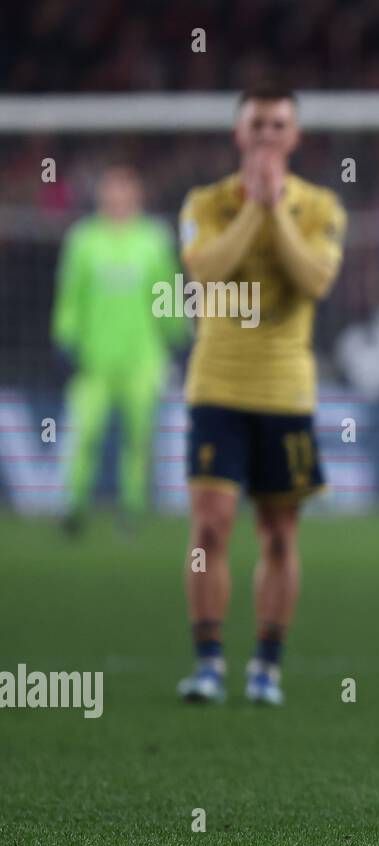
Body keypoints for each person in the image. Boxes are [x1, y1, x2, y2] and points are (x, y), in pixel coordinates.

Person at [176, 85, 346, 706]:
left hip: (286, 394)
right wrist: (255, 205)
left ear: (294, 136)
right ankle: (209, 663)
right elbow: (206, 271)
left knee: (278, 535)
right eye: (258, 125)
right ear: (238, 134)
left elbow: (314, 279)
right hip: (217, 387)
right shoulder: (207, 202)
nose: (269, 135)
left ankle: (267, 668)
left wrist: (275, 209)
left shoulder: (320, 206)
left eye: (280, 125)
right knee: (211, 527)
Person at [51, 166, 187, 534]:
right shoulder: (83, 240)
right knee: (84, 433)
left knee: (139, 438)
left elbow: (168, 295)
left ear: (137, 195)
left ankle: (131, 511)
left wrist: (178, 337)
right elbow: (69, 298)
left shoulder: (154, 240)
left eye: (124, 190)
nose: (117, 198)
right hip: (93, 361)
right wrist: (65, 339)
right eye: (111, 190)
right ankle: (73, 508)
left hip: (143, 359)